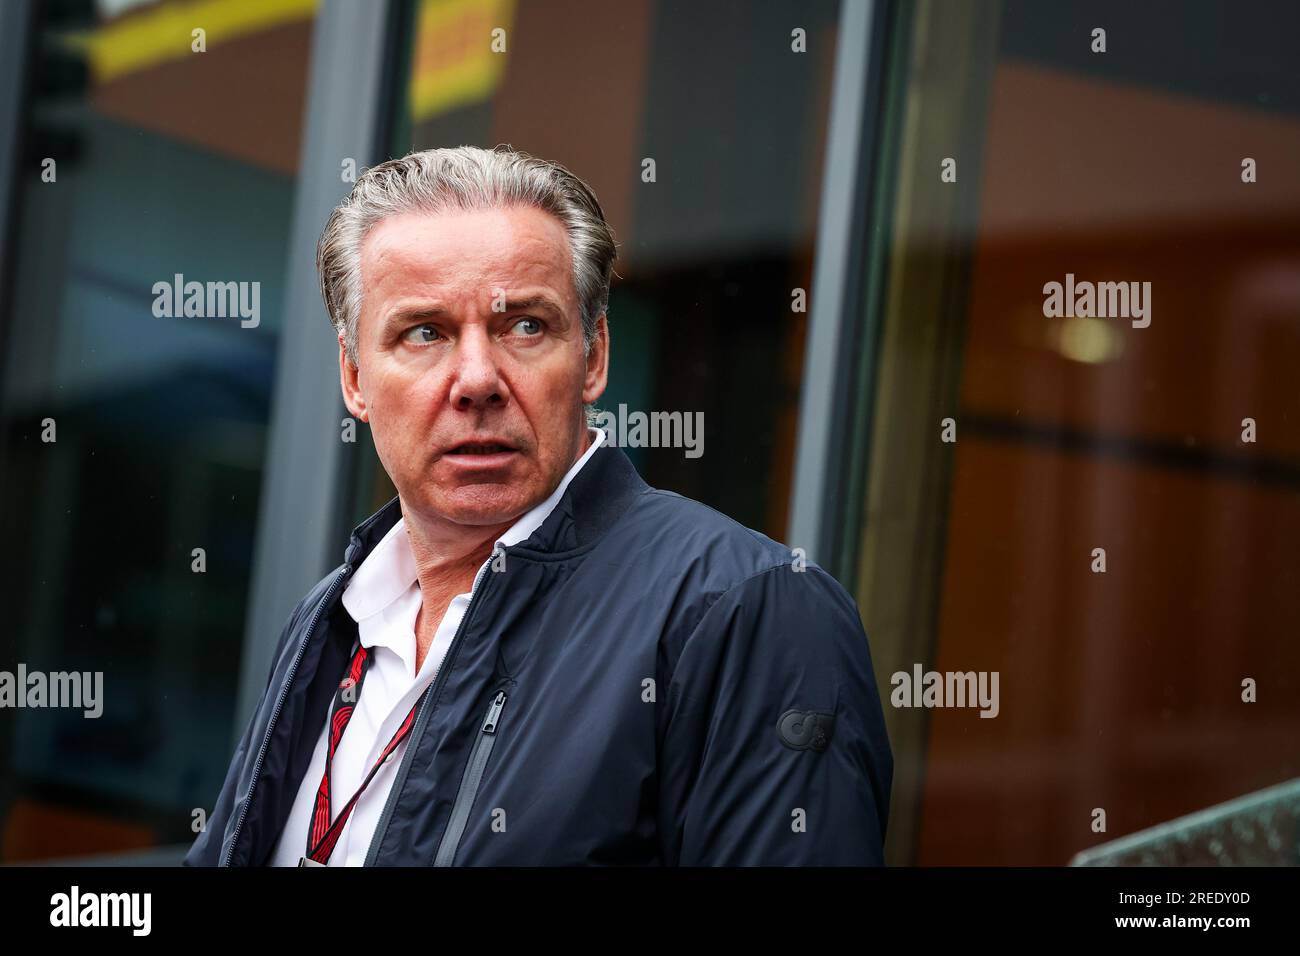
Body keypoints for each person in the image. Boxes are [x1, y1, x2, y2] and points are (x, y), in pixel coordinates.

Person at [184, 145, 892, 866]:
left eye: (525, 326)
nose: (477, 380)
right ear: (355, 378)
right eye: (424, 332)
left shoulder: (749, 609)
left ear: (593, 357)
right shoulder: (332, 618)